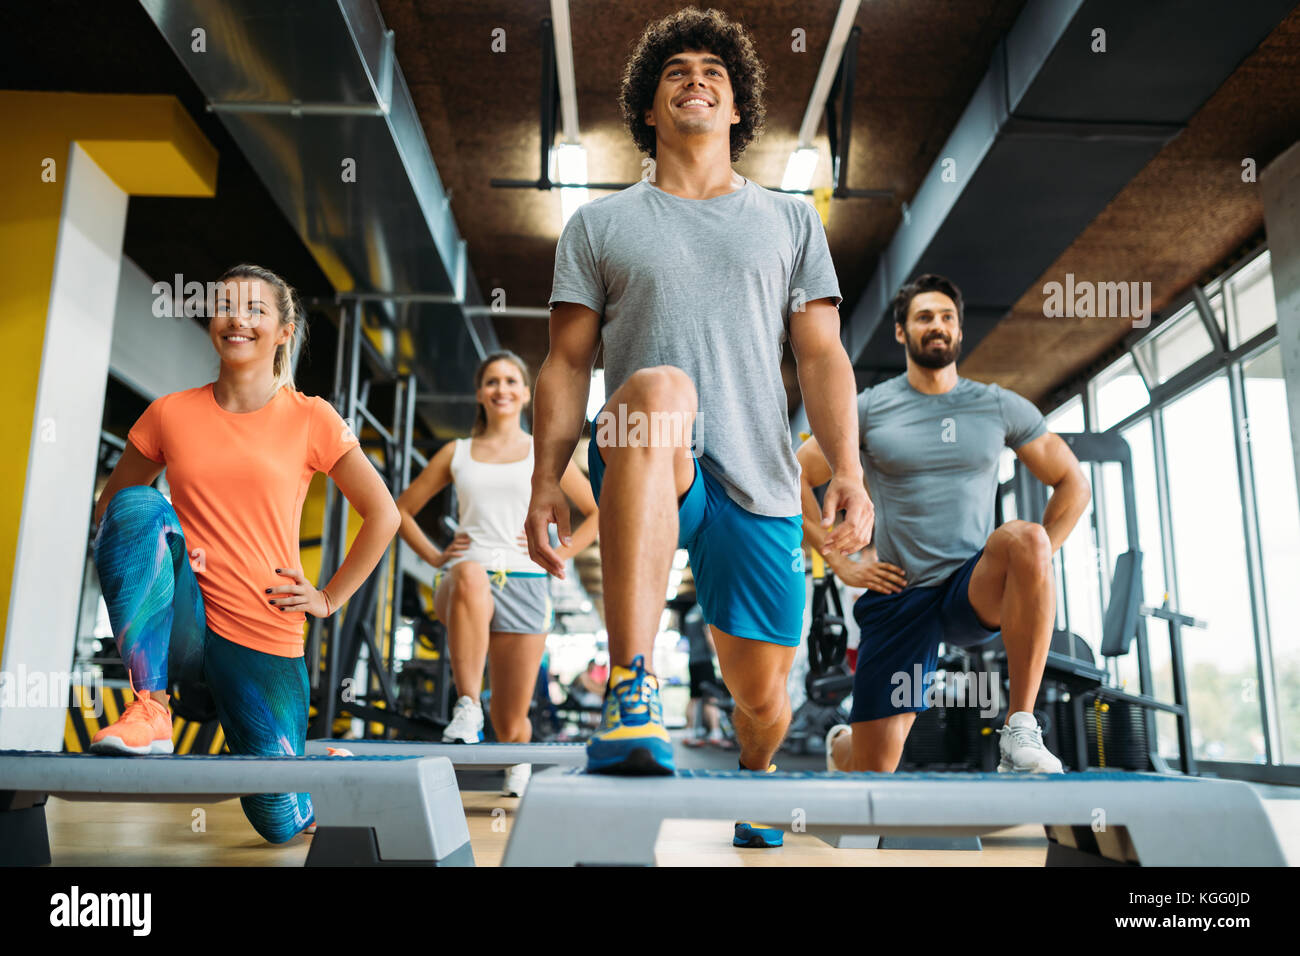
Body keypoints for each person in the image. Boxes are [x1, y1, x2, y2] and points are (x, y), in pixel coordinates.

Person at [527, 8, 871, 849]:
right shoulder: (598, 226)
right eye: (676, 71)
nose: (695, 80)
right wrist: (547, 479)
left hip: (759, 477)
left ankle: (758, 775)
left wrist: (849, 473)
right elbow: (569, 363)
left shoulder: (790, 220)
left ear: (736, 108)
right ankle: (631, 686)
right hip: (647, 455)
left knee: (761, 698)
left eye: (713, 74)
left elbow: (822, 356)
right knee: (658, 389)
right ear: (649, 108)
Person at [89, 264, 400, 843]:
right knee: (137, 507)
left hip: (263, 631)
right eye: (227, 305)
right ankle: (151, 707)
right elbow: (111, 515)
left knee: (280, 824)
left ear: (283, 330)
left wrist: (328, 598)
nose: (238, 319)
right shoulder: (169, 413)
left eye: (256, 309)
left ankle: (315, 772)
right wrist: (171, 551)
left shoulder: (312, 418)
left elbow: (384, 514)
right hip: (184, 624)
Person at [796, 273, 1091, 774]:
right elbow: (795, 473)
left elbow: (1072, 483)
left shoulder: (996, 405)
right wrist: (839, 561)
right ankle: (841, 744)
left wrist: (1035, 563)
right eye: (924, 317)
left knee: (1026, 537)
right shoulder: (868, 408)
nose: (938, 325)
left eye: (947, 317)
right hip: (899, 592)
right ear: (901, 332)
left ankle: (1020, 730)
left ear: (959, 331)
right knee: (873, 766)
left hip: (969, 587)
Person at [396, 351, 597, 796]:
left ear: (526, 394)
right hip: (465, 581)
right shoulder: (457, 452)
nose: (501, 389)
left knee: (511, 720)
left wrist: (559, 550)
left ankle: (515, 762)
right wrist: (434, 557)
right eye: (492, 381)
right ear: (479, 393)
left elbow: (597, 513)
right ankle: (467, 705)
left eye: (511, 381)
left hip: (526, 583)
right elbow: (400, 510)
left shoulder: (545, 454)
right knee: (467, 572)